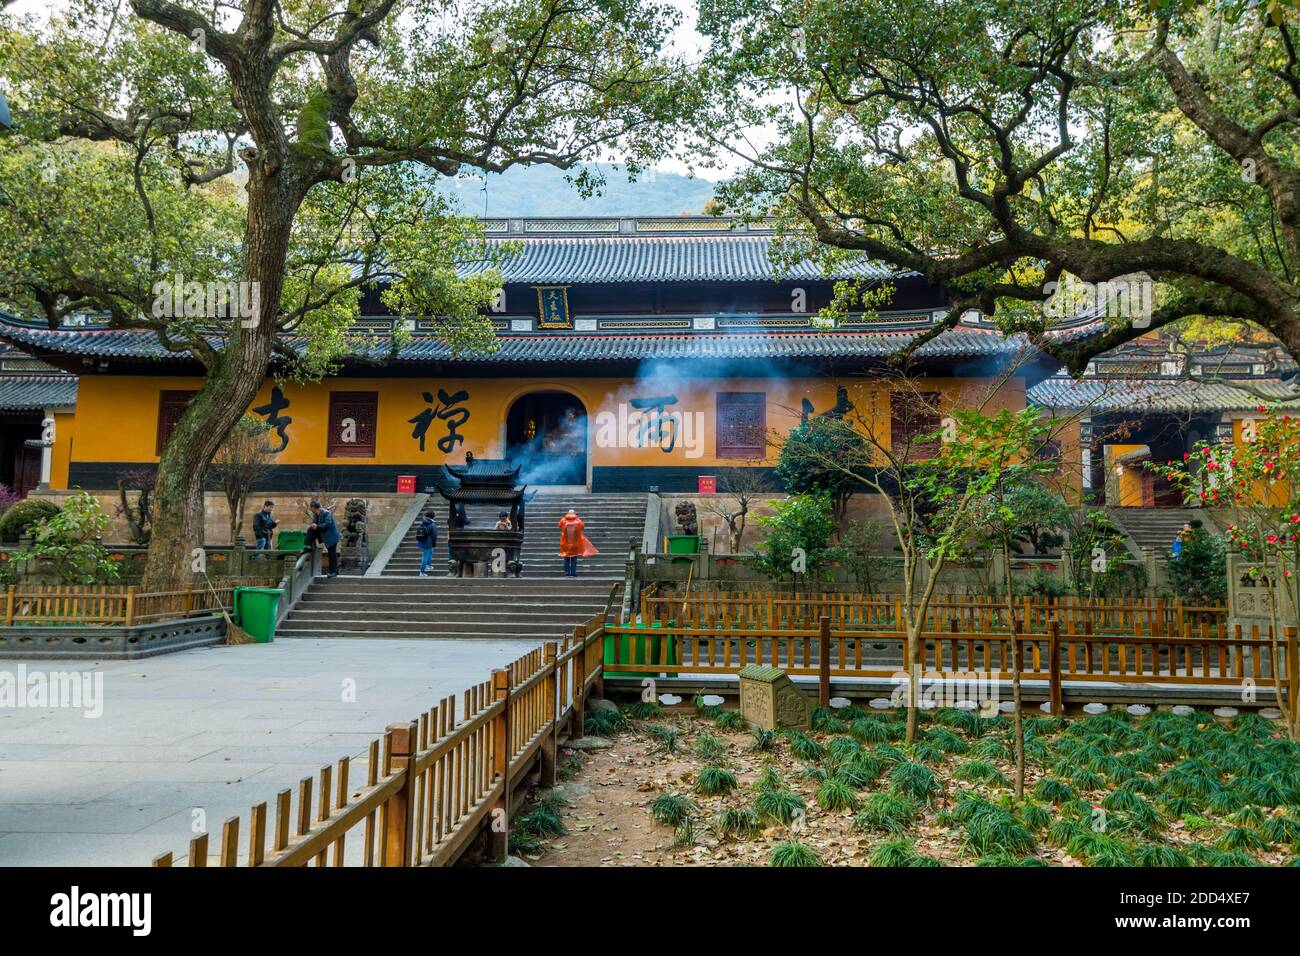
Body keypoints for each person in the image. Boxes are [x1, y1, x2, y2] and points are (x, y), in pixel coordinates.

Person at [557, 508, 597, 576]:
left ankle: (566, 573)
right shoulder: (578, 521)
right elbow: (582, 526)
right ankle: (573, 573)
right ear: (574, 514)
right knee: (574, 559)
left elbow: (559, 525)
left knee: (566, 558)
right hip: (575, 543)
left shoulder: (563, 520)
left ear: (568, 513)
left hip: (565, 543)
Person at [309, 499, 340, 577]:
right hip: (326, 536)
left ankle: (333, 572)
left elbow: (328, 524)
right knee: (310, 530)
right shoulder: (316, 514)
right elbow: (315, 523)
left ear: (314, 507)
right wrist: (313, 525)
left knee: (332, 554)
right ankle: (334, 571)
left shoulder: (326, 513)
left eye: (311, 507)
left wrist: (317, 526)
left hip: (332, 536)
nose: (310, 509)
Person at [416, 511, 438, 577]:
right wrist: (434, 543)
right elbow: (434, 535)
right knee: (425, 556)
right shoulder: (432, 524)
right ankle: (422, 572)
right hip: (428, 542)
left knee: (429, 552)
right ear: (433, 516)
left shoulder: (423, 522)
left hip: (422, 541)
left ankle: (428, 565)